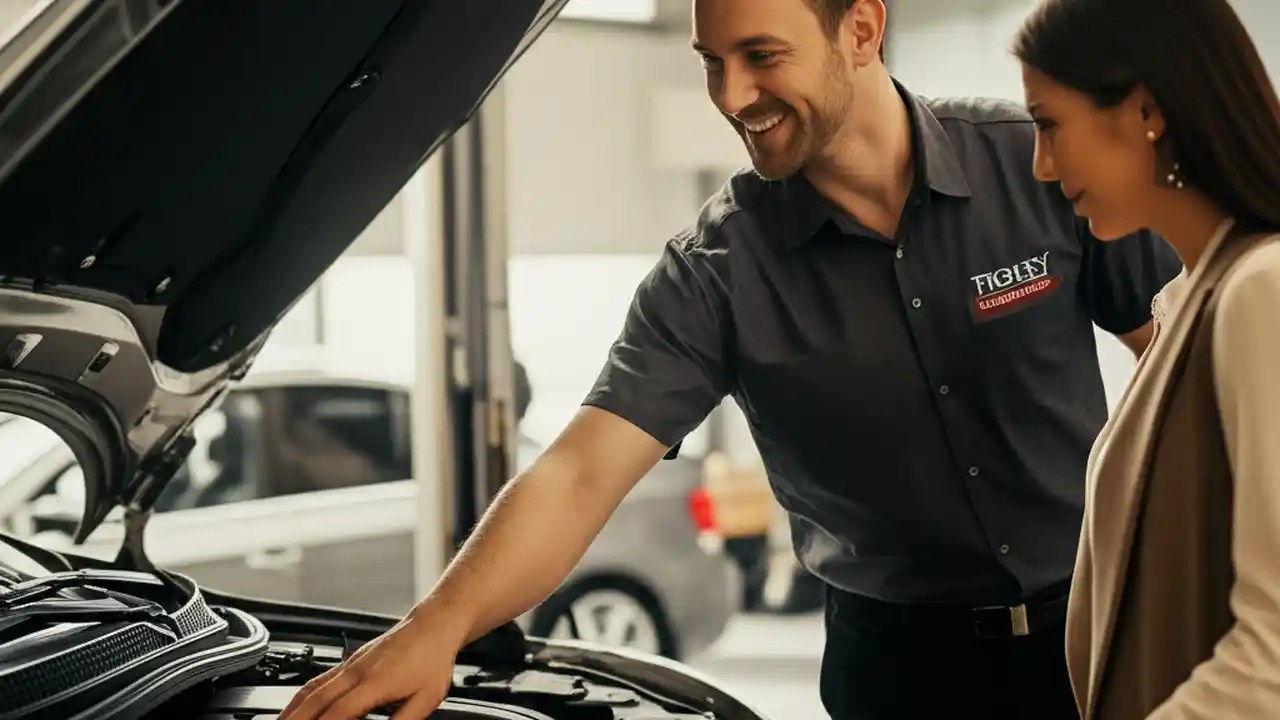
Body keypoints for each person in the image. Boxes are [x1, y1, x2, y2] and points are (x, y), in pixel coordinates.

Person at [280, 1, 1182, 719]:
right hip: (901, 672)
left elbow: (1186, 368)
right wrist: (433, 629)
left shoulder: (1035, 163)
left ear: (860, 30)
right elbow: (580, 472)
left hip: (1106, 627)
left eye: (762, 54)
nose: (732, 93)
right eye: (712, 61)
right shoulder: (712, 273)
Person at [1014, 0, 1280, 718]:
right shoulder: (1190, 299)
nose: (1040, 165)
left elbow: (1275, 654)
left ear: (1144, 111)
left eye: (1048, 124)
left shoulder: (1260, 292)